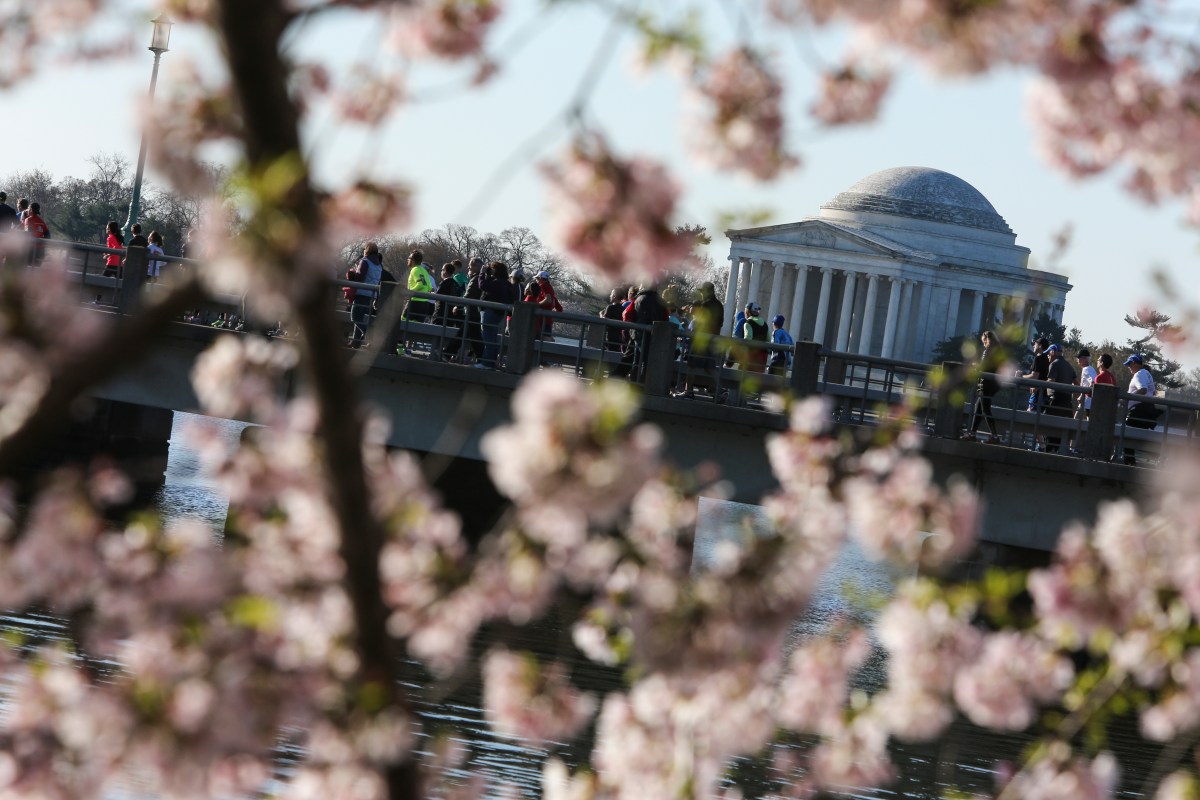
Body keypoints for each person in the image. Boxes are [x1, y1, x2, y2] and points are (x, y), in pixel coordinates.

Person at [962, 330, 1003, 443]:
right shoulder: (997, 351)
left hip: (985, 384)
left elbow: (983, 367)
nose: (983, 343)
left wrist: (975, 366)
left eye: (983, 341)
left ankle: (994, 436)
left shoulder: (987, 351)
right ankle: (972, 434)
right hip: (993, 384)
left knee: (985, 410)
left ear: (986, 340)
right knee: (978, 409)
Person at [477, 261, 516, 369]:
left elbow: (482, 285)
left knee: (488, 339)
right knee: (492, 338)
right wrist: (488, 275)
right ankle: (491, 363)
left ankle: (486, 364)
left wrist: (482, 274)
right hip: (498, 314)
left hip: (489, 312)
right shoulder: (506, 283)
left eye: (492, 268)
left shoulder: (498, 282)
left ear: (496, 270)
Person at [1122, 353, 1159, 466]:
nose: (1128, 367)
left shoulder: (1138, 375)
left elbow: (1142, 390)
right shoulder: (1147, 373)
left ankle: (1130, 463)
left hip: (1138, 411)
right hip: (1146, 410)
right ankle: (1132, 462)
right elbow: (1152, 392)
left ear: (1134, 363)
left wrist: (1127, 399)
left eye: (1129, 364)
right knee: (1134, 438)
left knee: (1125, 437)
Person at [347, 242, 383, 348]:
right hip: (371, 295)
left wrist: (352, 275)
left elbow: (360, 279)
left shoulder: (365, 261)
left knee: (355, 317)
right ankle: (355, 342)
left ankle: (371, 337)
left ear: (367, 250)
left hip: (362, 293)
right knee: (360, 318)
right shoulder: (379, 265)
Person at [1043, 343, 1078, 454]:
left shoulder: (1055, 364)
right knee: (1060, 429)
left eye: (1049, 353)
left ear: (1053, 352)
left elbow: (1051, 381)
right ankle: (1056, 451)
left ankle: (1048, 451)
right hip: (1067, 402)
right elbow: (1076, 384)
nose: (1048, 356)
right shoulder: (1069, 365)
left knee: (1048, 427)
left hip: (1055, 400)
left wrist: (1038, 384)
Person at [403, 250, 435, 324]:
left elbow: (421, 284)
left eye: (409, 258)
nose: (407, 260)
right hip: (424, 304)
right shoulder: (423, 270)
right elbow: (429, 287)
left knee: (403, 323)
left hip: (415, 302)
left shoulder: (415, 269)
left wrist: (409, 291)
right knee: (416, 327)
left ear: (413, 260)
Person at [740, 302, 769, 372]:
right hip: (763, 357)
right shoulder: (765, 324)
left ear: (748, 312)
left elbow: (747, 339)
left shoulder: (748, 323)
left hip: (751, 357)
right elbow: (768, 339)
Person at [600, 288, 626, 352]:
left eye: (611, 294)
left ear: (614, 296)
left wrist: (601, 314)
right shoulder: (623, 309)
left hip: (609, 337)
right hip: (618, 338)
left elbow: (604, 321)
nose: (610, 296)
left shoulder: (610, 307)